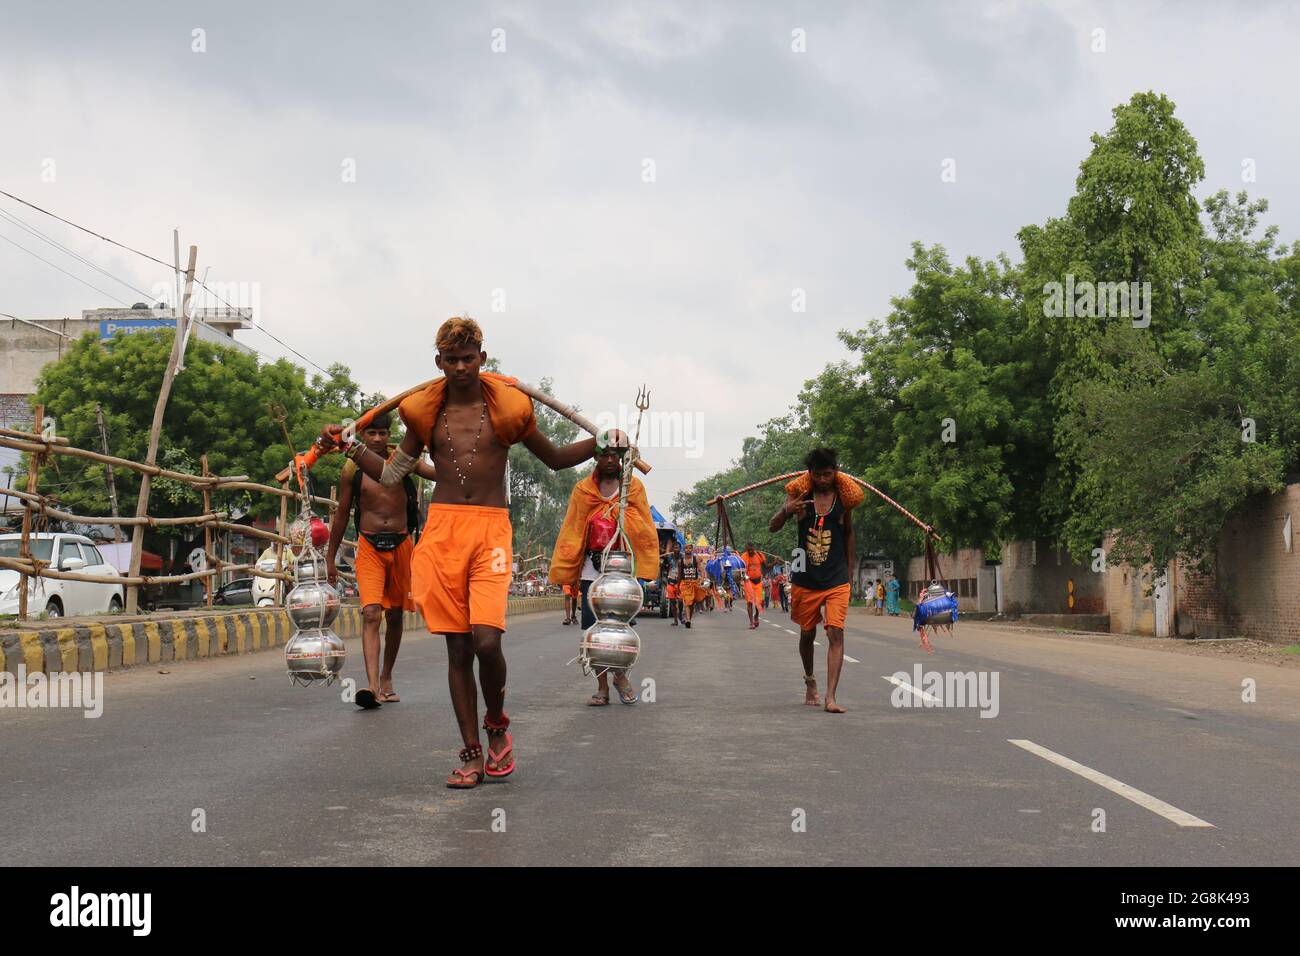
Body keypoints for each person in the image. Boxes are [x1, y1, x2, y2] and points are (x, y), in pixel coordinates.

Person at [317, 316, 616, 789]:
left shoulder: (507, 412)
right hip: (441, 533)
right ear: (439, 362)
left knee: (487, 641)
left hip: (491, 534)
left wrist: (601, 445)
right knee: (458, 647)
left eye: (468, 358)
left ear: (483, 358)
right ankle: (471, 752)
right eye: (451, 359)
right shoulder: (424, 415)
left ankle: (496, 721)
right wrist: (351, 448)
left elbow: (556, 459)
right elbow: (393, 474)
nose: (460, 367)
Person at [326, 412, 437, 709]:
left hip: (402, 545)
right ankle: (372, 687)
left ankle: (387, 677)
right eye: (371, 433)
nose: (376, 439)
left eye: (382, 434)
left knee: (396, 615)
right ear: (362, 436)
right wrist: (330, 558)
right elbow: (342, 513)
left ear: (389, 436)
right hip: (370, 546)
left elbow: (438, 473)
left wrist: (440, 444)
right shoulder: (352, 468)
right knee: (372, 613)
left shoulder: (404, 460)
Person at [549, 436, 657, 706]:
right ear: (595, 458)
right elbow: (573, 529)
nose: (610, 460)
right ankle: (602, 687)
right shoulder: (583, 490)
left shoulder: (632, 488)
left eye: (614, 455)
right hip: (590, 569)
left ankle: (621, 676)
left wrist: (622, 516)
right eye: (604, 455)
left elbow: (644, 527)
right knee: (593, 629)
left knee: (620, 628)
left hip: (621, 570)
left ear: (621, 458)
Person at [769, 447, 860, 714]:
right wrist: (786, 510)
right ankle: (810, 679)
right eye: (818, 475)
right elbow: (772, 526)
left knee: (835, 632)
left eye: (828, 474)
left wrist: (850, 574)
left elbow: (849, 535)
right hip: (805, 578)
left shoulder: (843, 500)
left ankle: (830, 697)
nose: (823, 479)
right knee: (807, 634)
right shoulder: (800, 498)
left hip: (836, 578)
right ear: (810, 474)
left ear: (835, 473)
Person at [678, 541, 707, 628]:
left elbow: (702, 571)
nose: (688, 549)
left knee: (692, 603)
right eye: (686, 548)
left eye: (690, 548)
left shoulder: (696, 559)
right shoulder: (681, 561)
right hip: (685, 584)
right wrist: (678, 586)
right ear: (684, 550)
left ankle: (689, 619)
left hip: (694, 584)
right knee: (687, 601)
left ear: (692, 549)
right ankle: (688, 620)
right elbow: (679, 574)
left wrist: (701, 580)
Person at [741, 542, 765, 630]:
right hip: (748, 582)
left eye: (752, 550)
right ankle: (751, 622)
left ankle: (756, 616)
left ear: (754, 548)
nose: (751, 552)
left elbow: (766, 566)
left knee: (759, 602)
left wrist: (774, 562)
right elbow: (741, 570)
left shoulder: (759, 555)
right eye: (749, 550)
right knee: (750, 602)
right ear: (746, 550)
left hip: (758, 582)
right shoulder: (743, 557)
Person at [661, 538, 683, 625]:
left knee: (681, 601)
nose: (676, 549)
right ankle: (675, 620)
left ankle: (680, 614)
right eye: (674, 548)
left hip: (680, 582)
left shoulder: (683, 557)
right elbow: (664, 565)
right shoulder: (669, 557)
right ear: (672, 549)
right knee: (672, 602)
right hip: (670, 581)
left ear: (680, 549)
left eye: (678, 548)